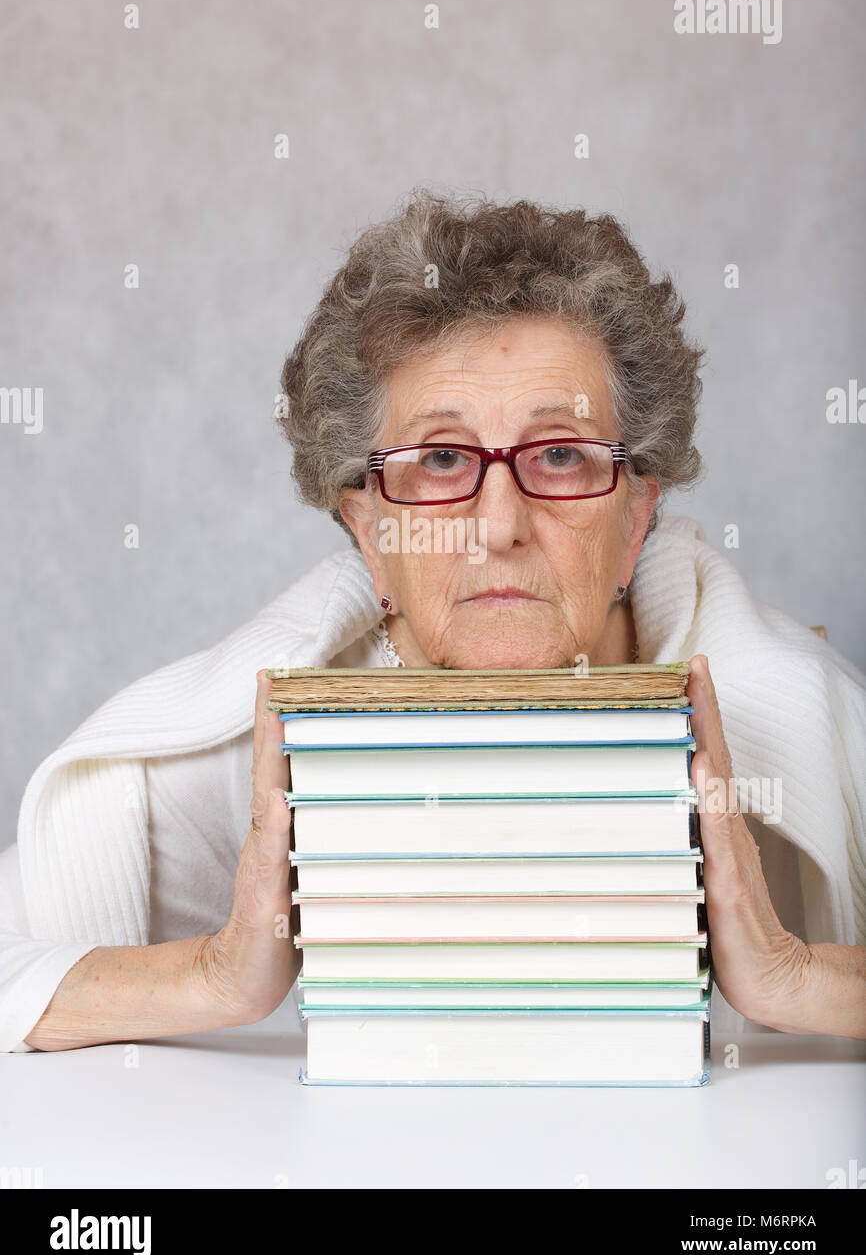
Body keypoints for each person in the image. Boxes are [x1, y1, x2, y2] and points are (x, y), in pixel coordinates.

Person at [2, 191, 864, 1053]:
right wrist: (215, 973)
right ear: (372, 532)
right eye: (443, 459)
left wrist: (797, 977)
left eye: (560, 453)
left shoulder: (804, 723)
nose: (500, 524)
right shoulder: (244, 759)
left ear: (637, 514)